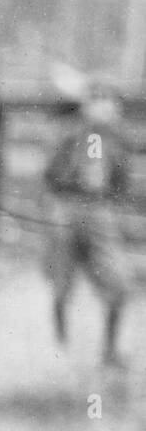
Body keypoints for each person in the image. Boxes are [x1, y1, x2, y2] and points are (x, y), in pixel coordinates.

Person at [43, 78, 134, 365]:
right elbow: (51, 176)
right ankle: (60, 348)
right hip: (68, 211)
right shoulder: (69, 136)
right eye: (96, 99)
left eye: (108, 100)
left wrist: (105, 205)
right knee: (62, 284)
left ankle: (109, 351)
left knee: (119, 284)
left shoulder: (117, 142)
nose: (104, 106)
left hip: (100, 213)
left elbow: (122, 182)